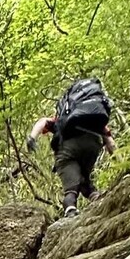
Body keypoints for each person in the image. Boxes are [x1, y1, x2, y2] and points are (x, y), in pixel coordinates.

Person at [27, 78, 117, 218]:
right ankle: (96, 198)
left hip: (68, 150)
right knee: (83, 179)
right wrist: (121, 163)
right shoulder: (94, 120)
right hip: (92, 147)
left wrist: (32, 138)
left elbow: (43, 121)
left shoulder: (62, 120)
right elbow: (110, 142)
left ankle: (70, 209)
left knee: (71, 188)